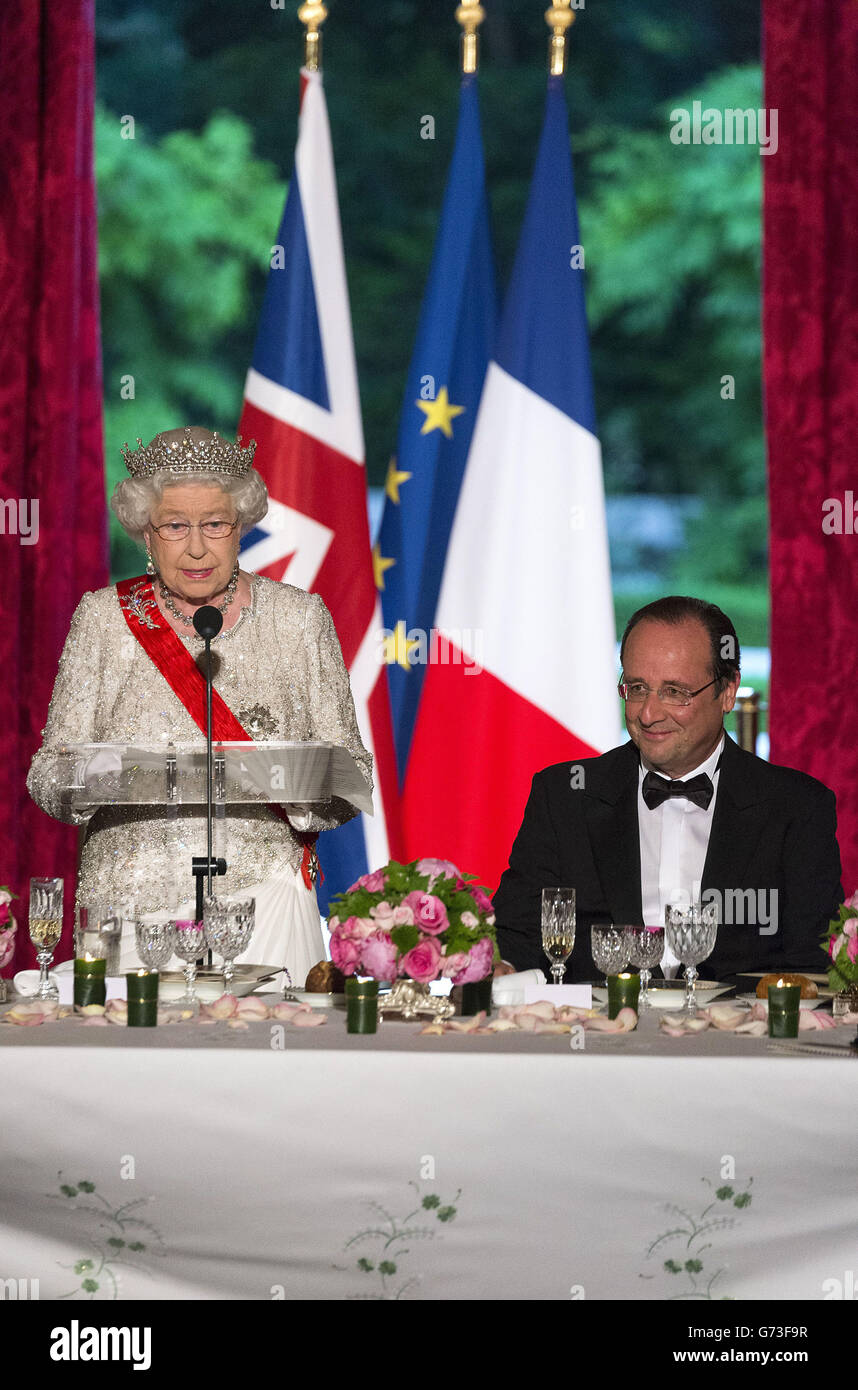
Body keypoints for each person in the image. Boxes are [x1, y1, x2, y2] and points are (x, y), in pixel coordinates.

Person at [27, 425, 372, 985]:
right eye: (174, 526)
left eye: (214, 524)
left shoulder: (299, 619)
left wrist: (293, 779)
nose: (195, 548)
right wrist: (107, 776)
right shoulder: (103, 619)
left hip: (266, 902)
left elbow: (353, 773)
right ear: (147, 531)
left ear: (240, 527)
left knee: (277, 1044)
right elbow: (47, 776)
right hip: (130, 909)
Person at [493, 596, 842, 984]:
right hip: (597, 1022)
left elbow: (811, 966)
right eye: (637, 688)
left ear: (728, 691)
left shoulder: (797, 808)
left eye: (675, 691)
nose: (648, 713)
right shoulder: (565, 796)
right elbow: (518, 939)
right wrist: (499, 968)